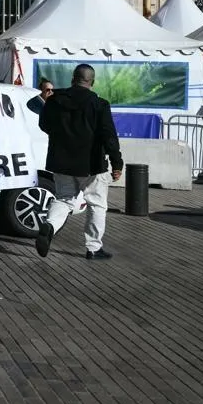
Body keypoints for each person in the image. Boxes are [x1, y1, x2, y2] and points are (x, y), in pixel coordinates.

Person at [35, 64, 124, 261]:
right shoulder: (100, 105)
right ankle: (93, 248)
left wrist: (62, 137)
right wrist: (117, 163)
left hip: (61, 162)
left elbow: (44, 125)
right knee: (97, 204)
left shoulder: (54, 101)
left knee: (64, 199)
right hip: (91, 165)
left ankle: (50, 225)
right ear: (91, 82)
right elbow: (109, 136)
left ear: (72, 79)